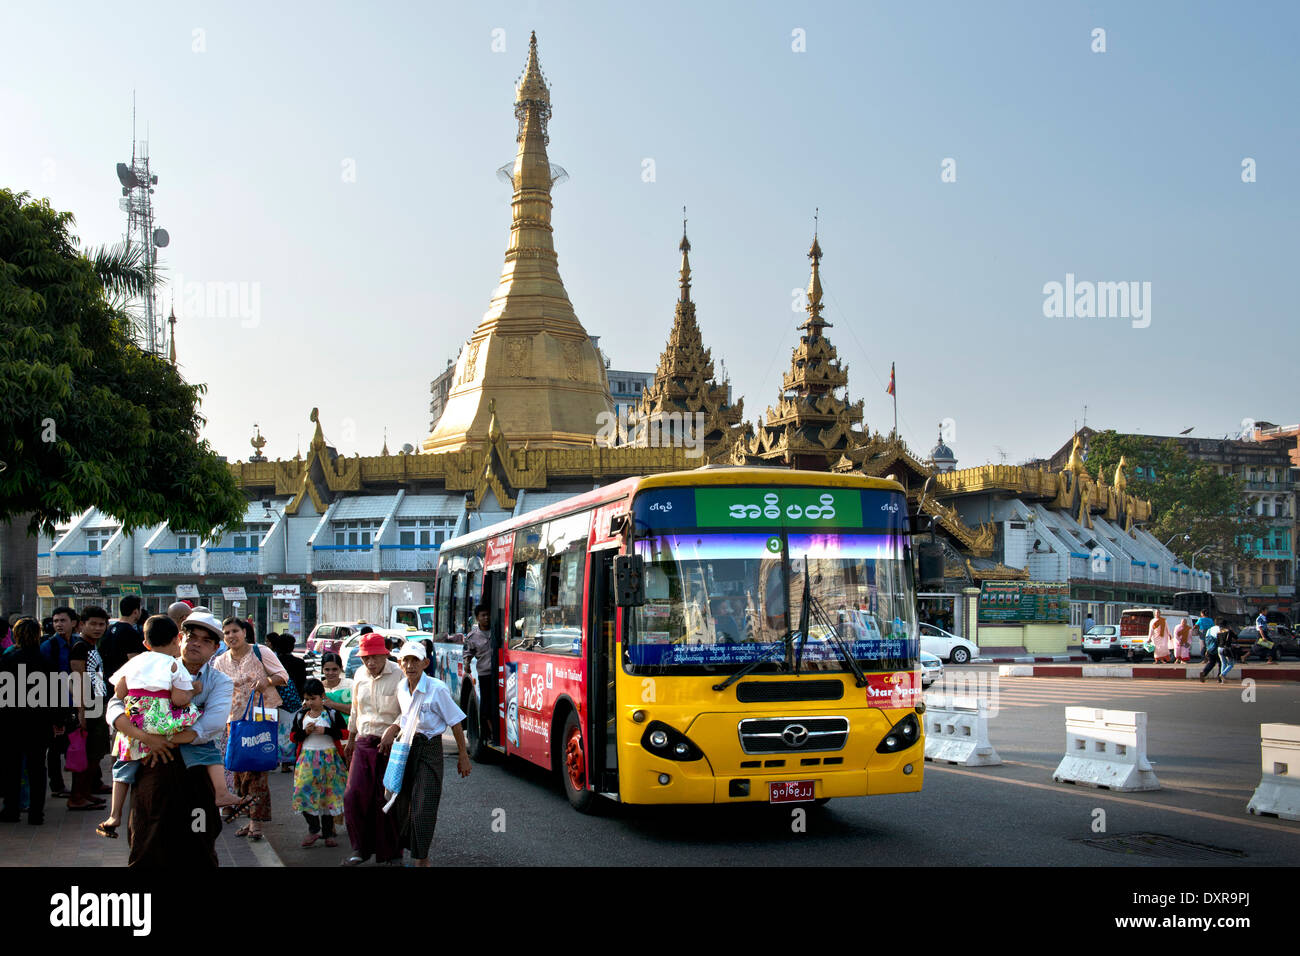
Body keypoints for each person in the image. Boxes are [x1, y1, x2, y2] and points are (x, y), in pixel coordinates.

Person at [105, 613, 235, 866]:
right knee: (147, 840)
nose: (196, 643)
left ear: (215, 648)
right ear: (179, 638)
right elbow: (114, 706)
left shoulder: (219, 681)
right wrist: (145, 738)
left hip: (195, 773)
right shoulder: (148, 666)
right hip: (151, 770)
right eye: (191, 636)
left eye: (206, 640)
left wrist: (162, 742)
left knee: (199, 840)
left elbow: (211, 725)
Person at [387, 642, 471, 867]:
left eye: (415, 660)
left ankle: (421, 858)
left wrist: (463, 756)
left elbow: (455, 722)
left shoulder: (437, 688)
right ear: (399, 663)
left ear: (425, 663)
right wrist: (393, 729)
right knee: (402, 803)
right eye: (406, 660)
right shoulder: (401, 688)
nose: (410, 665)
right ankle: (410, 850)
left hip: (430, 748)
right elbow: (406, 718)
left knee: (424, 804)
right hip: (407, 747)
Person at [211, 616, 289, 841]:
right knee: (239, 772)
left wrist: (267, 682)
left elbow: (282, 676)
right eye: (226, 633)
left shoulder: (260, 651)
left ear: (244, 632)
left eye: (235, 631)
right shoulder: (220, 661)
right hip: (233, 722)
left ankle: (256, 823)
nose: (231, 636)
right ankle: (247, 816)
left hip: (260, 720)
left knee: (257, 772)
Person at [342, 632, 404, 866]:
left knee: (386, 799)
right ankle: (359, 848)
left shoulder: (398, 674)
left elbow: (406, 710)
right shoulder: (359, 674)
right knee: (353, 795)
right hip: (363, 742)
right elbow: (355, 709)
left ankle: (392, 852)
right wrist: (350, 738)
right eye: (366, 658)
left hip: (391, 744)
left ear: (384, 654)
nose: (370, 663)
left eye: (375, 657)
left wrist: (393, 729)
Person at [0, 618, 61, 824]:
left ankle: (11, 810)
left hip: (11, 723)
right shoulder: (46, 662)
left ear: (15, 635)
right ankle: (36, 813)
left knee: (12, 768)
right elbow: (56, 696)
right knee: (37, 768)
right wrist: (58, 721)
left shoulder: (6, 660)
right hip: (39, 723)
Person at [291, 678, 348, 847]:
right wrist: (304, 732)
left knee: (328, 797)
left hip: (330, 761)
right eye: (307, 699)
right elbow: (293, 737)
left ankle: (328, 833)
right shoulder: (301, 715)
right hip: (307, 760)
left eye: (313, 698)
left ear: (322, 697)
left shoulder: (331, 714)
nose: (309, 702)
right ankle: (313, 828)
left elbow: (344, 733)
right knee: (303, 794)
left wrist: (327, 731)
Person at [67, 605, 109, 811]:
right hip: (88, 708)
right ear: (82, 624)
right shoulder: (80, 647)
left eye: (102, 624)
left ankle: (85, 793)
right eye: (93, 624)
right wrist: (81, 713)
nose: (98, 628)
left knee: (96, 754)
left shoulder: (92, 645)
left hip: (98, 705)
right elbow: (77, 681)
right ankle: (76, 797)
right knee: (87, 754)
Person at [462, 604, 496, 744]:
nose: (486, 618)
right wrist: (467, 664)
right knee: (486, 706)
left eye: (488, 614)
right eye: (483, 615)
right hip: (485, 674)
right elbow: (467, 653)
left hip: (499, 674)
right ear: (477, 618)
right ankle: (489, 734)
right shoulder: (472, 636)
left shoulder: (497, 631)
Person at [275, 633, 308, 773]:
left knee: (276, 732)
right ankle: (288, 762)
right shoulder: (299, 663)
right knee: (291, 731)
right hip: (294, 703)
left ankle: (275, 759)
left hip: (276, 703)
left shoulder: (274, 663)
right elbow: (303, 684)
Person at [98, 596, 145, 685]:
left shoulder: (110, 629)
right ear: (135, 612)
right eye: (140, 609)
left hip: (107, 679)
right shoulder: (130, 632)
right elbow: (134, 660)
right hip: (121, 682)